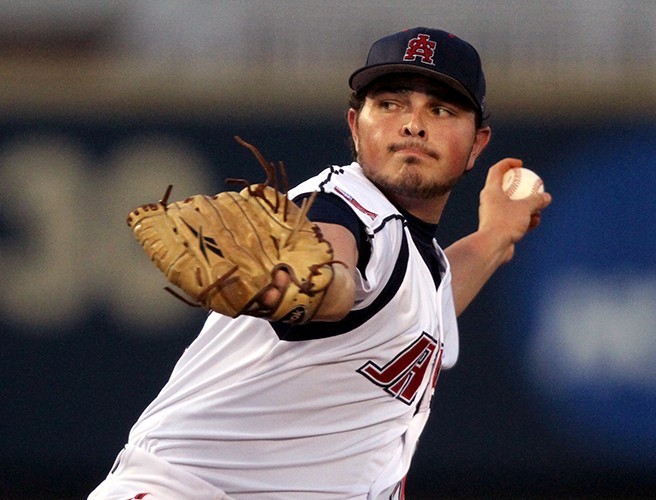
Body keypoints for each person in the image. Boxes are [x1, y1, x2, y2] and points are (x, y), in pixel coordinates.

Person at [89, 26, 551, 499]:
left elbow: (422, 305)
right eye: (390, 105)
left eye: (440, 109)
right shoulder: (339, 204)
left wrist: (495, 236)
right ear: (354, 126)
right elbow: (335, 274)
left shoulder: (414, 255)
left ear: (477, 143)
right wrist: (312, 286)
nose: (413, 124)